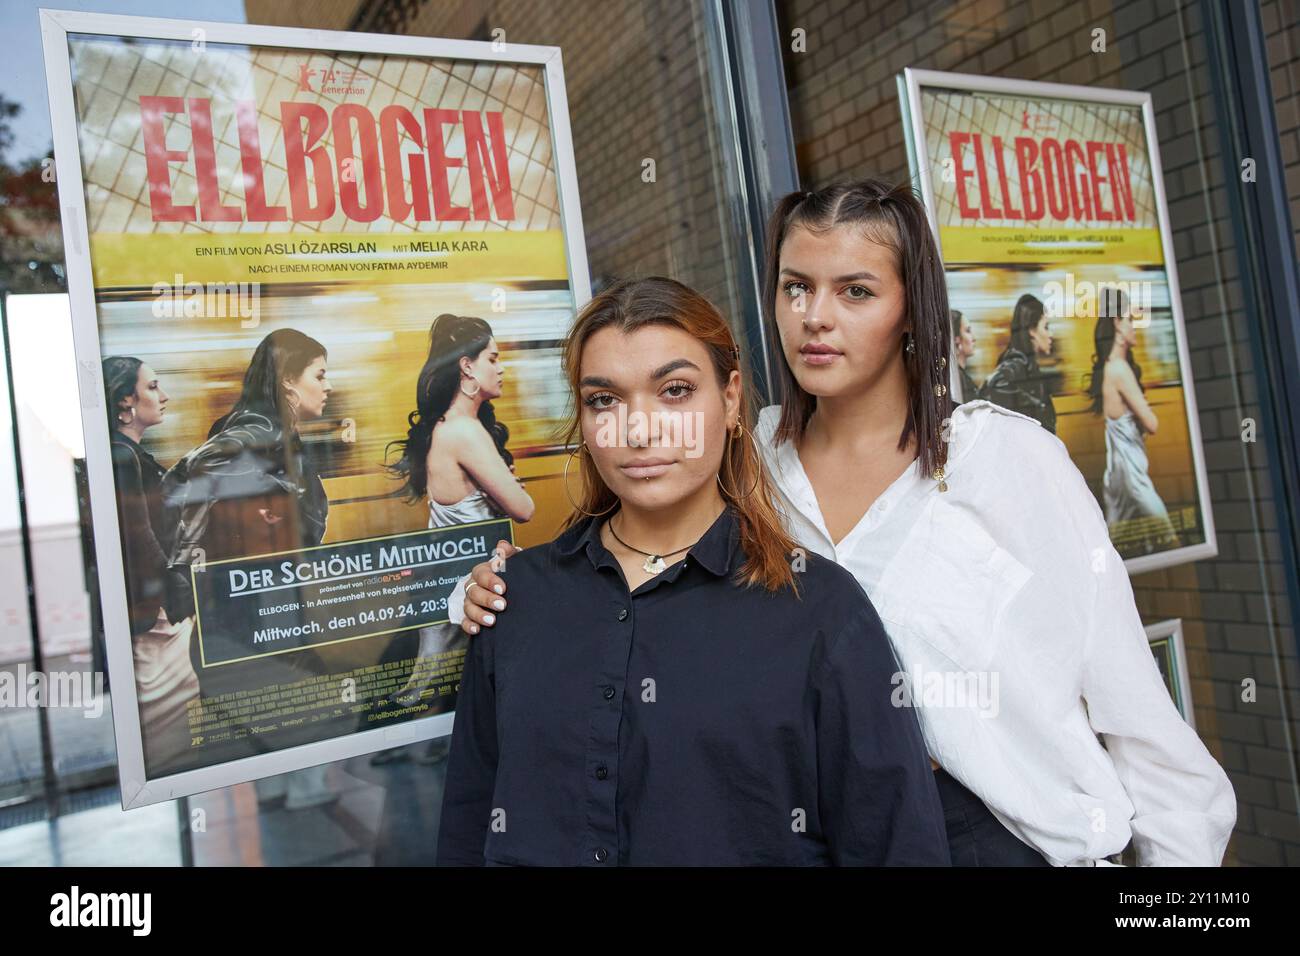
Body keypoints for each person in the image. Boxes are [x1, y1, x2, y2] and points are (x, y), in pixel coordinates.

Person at [455, 180, 1238, 867]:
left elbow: (1142, 724)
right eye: (796, 287)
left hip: (1013, 836)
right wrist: (491, 596)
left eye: (855, 291)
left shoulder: (1010, 463)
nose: (815, 318)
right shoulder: (743, 458)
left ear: (909, 309)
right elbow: (613, 572)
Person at [435, 276, 949, 866]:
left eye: (675, 391)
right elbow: (469, 824)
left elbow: (896, 846)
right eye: (604, 399)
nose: (639, 429)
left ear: (731, 400)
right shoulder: (515, 600)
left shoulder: (819, 612)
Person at [161, 328, 333, 748]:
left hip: (243, 603)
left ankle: (289, 789)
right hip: (258, 604)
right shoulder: (261, 432)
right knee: (293, 711)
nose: (328, 386)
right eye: (320, 375)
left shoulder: (260, 427)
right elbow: (185, 480)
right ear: (288, 380)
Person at [380, 314, 534, 765]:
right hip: (466, 583)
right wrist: (506, 485)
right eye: (493, 358)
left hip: (452, 578)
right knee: (436, 676)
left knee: (432, 674)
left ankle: (408, 741)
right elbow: (524, 508)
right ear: (467, 367)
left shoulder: (447, 428)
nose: (501, 367)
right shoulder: (465, 433)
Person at [104, 356, 199, 775]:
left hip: (155, 612)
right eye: (153, 387)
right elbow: (140, 535)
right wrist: (175, 583)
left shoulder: (127, 454)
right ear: (126, 401)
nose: (164, 396)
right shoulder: (123, 458)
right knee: (170, 724)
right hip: (157, 618)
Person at [1088, 287, 1179, 553]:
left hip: (1118, 473)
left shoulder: (1110, 367)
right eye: (1130, 319)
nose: (1134, 327)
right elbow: (1152, 424)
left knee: (1112, 544)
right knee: (1168, 535)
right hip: (1131, 476)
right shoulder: (1119, 370)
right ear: (1117, 323)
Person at [979, 293, 1058, 432]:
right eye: (1046, 327)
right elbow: (994, 385)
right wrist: (1039, 406)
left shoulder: (1028, 364)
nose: (1050, 334)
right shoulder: (1018, 361)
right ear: (1032, 330)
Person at [951, 310, 979, 404]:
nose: (974, 338)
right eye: (968, 331)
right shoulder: (959, 379)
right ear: (956, 339)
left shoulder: (959, 376)